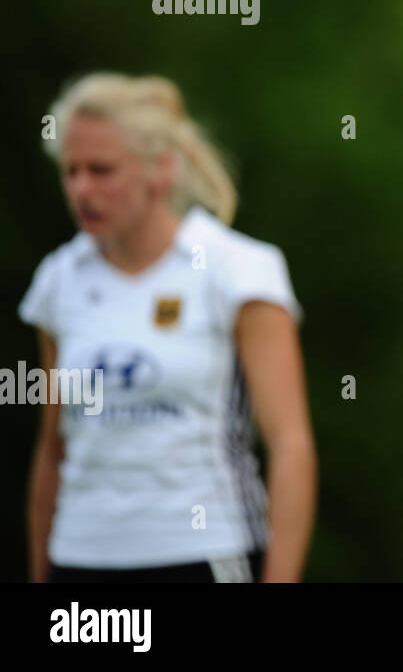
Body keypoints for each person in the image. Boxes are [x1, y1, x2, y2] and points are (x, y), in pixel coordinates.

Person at [21, 73, 317, 583]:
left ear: (159, 171)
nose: (80, 189)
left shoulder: (238, 270)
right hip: (81, 557)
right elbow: (54, 447)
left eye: (101, 170)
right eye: (70, 171)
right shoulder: (58, 280)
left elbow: (291, 446)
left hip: (203, 553)